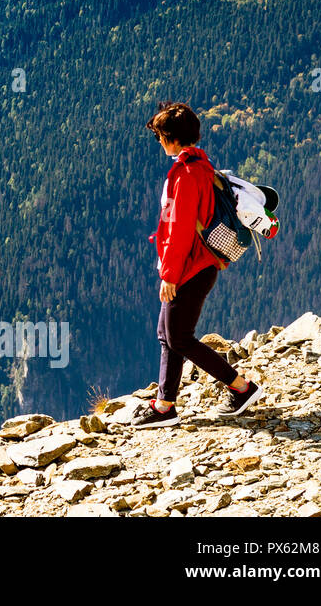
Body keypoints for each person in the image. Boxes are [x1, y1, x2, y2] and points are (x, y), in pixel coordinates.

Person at [130, 102, 264, 428]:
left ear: (173, 138)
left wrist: (169, 275)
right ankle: (164, 405)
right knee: (168, 334)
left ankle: (241, 388)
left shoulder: (187, 174)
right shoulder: (199, 164)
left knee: (180, 337)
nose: (159, 141)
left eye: (161, 136)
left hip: (191, 268)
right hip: (195, 265)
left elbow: (180, 228)